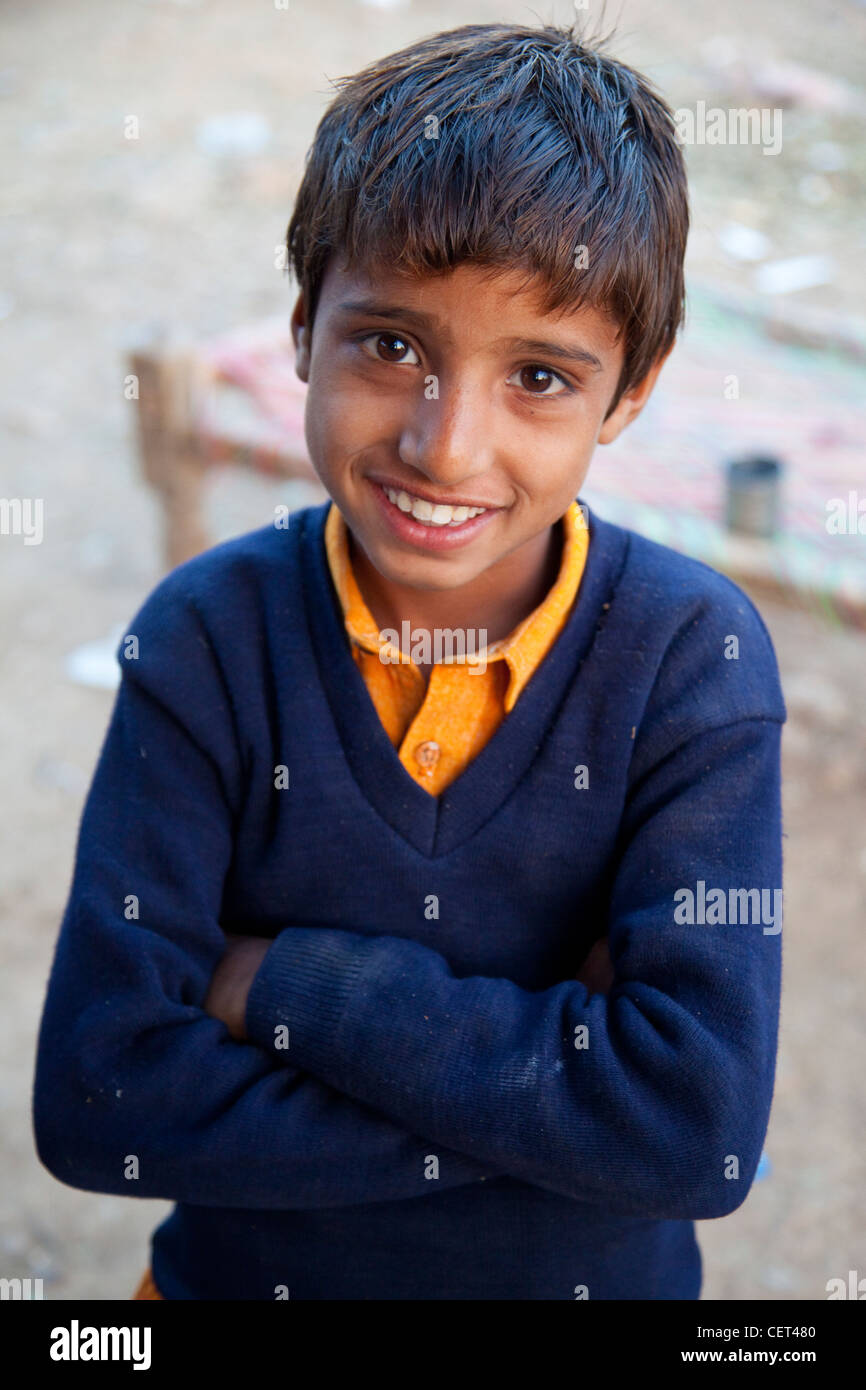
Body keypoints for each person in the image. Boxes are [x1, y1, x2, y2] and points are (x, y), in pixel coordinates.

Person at [33, 21, 786, 1301]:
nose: (444, 447)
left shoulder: (686, 662)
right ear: (299, 328)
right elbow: (103, 1096)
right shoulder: (208, 639)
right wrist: (566, 1098)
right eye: (390, 346)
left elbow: (691, 1133)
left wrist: (277, 980)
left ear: (632, 392)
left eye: (539, 374)